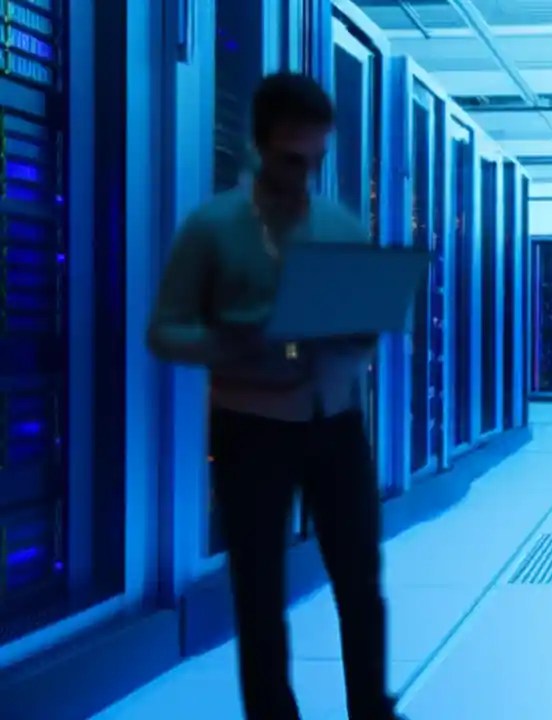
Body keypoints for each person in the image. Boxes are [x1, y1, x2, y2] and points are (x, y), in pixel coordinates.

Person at [147, 72, 402, 720]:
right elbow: (163, 330)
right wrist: (237, 344)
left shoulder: (340, 226)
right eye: (294, 159)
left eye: (317, 159)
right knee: (259, 596)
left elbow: (362, 331)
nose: (306, 174)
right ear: (258, 147)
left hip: (336, 423)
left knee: (360, 584)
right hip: (251, 429)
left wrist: (356, 335)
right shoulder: (211, 228)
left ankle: (370, 709)